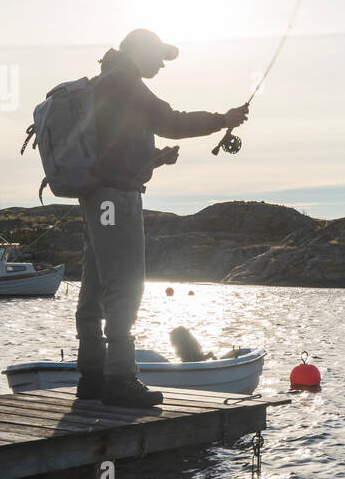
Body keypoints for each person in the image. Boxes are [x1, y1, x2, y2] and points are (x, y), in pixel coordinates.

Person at [76, 28, 249, 407]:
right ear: (137, 50)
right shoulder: (125, 81)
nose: (161, 65)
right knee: (125, 282)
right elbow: (171, 120)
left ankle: (90, 377)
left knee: (94, 285)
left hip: (97, 197)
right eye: (158, 57)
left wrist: (154, 159)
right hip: (116, 199)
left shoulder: (106, 81)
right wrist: (223, 119)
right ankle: (119, 378)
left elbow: (115, 150)